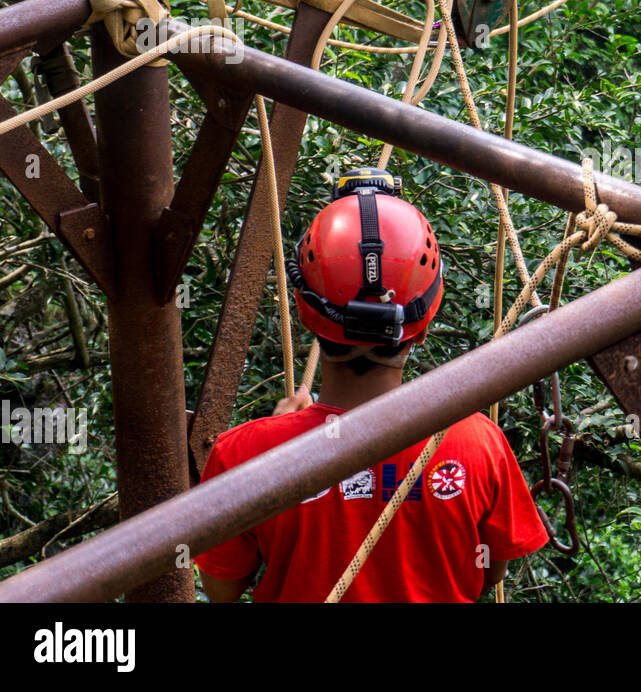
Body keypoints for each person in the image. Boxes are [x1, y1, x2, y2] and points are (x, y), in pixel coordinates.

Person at [195, 169, 548, 602]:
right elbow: (490, 572)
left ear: (308, 315)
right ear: (422, 324)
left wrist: (279, 445)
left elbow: (223, 589)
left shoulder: (245, 455)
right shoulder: (478, 442)